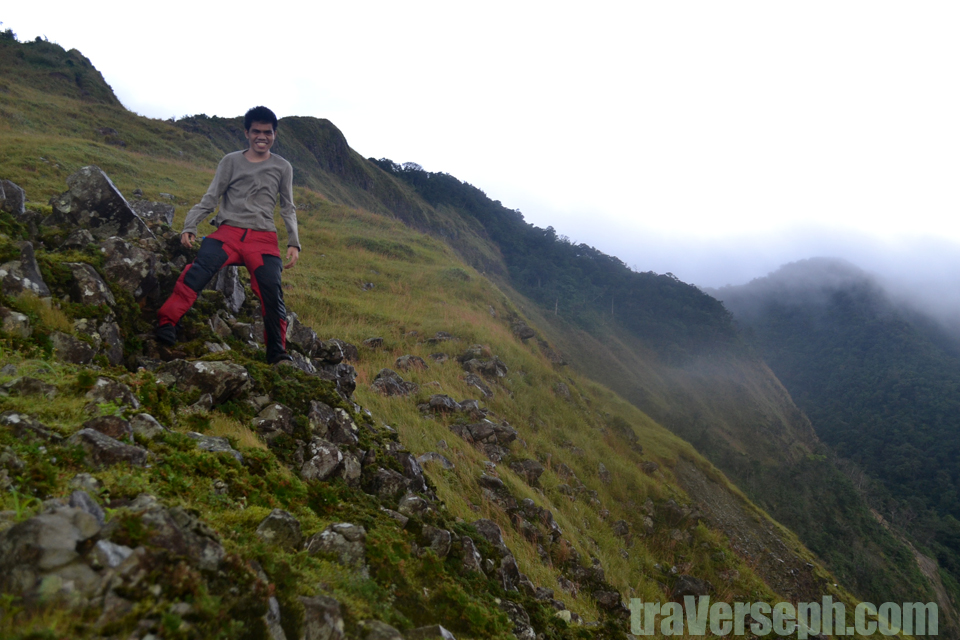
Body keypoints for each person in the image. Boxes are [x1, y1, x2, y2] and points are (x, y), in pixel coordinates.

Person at [155, 105, 300, 364]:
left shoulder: (283, 166)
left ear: (274, 134)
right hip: (228, 233)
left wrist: (293, 242)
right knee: (199, 270)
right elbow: (211, 198)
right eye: (256, 131)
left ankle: (276, 352)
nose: (262, 137)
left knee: (271, 291)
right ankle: (167, 322)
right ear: (247, 132)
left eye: (267, 132)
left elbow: (288, 206)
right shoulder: (230, 161)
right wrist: (190, 224)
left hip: (263, 238)